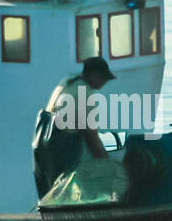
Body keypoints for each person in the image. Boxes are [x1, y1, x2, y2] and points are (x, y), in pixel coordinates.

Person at [32, 55, 114, 197]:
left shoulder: (67, 82)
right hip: (60, 149)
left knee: (46, 196)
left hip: (40, 145)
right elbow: (91, 138)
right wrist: (106, 163)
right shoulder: (86, 94)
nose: (105, 82)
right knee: (62, 194)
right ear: (94, 75)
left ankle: (46, 218)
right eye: (103, 78)